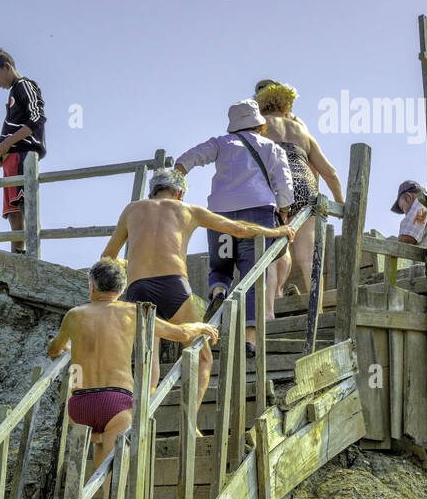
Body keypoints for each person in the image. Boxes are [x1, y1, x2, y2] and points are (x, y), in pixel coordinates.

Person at [47, 257, 218, 499]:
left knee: (92, 470)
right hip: (116, 403)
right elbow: (181, 334)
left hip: (80, 403)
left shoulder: (74, 315)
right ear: (122, 289)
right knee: (115, 484)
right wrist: (203, 326)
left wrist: (67, 350)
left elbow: (54, 348)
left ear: (92, 285)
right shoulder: (132, 312)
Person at [102, 167, 293, 402]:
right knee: (202, 356)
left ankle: (140, 422)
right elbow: (238, 229)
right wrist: (276, 230)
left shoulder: (131, 209)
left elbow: (107, 259)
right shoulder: (188, 210)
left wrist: (132, 263)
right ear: (180, 194)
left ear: (152, 192)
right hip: (172, 284)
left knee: (146, 360)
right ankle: (191, 425)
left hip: (136, 287)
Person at [174, 101, 294, 343]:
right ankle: (250, 339)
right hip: (257, 213)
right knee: (252, 273)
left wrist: (176, 186)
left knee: (221, 264)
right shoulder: (271, 148)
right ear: (259, 124)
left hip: (221, 214)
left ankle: (219, 290)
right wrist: (284, 210)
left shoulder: (220, 143)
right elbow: (284, 185)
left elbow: (186, 159)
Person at [254, 79, 344, 303]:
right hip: (305, 186)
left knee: (272, 250)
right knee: (308, 254)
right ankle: (319, 304)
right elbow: (329, 171)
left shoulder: (259, 125)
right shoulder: (301, 130)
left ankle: (269, 310)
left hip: (275, 185)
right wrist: (340, 203)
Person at [0, 48, 46, 254]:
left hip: (24, 154)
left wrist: (8, 142)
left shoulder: (24, 85)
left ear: (7, 67)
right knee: (12, 209)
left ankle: (30, 250)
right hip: (11, 157)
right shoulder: (11, 95)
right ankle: (17, 253)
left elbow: (36, 118)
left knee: (23, 201)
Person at [391, 180, 427, 246]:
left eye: (403, 208)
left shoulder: (421, 206)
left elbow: (405, 240)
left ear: (409, 197)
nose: (405, 213)